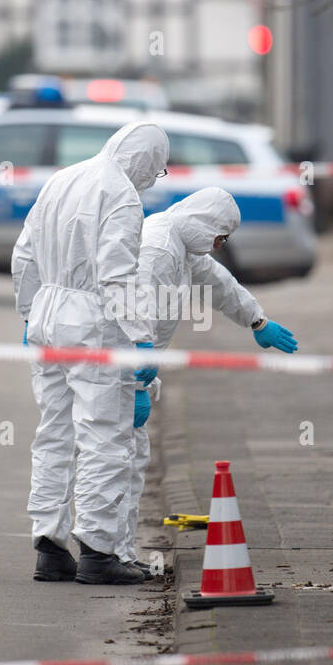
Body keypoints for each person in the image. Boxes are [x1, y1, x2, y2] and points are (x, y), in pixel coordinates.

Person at [11, 121, 169, 585]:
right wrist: (141, 337)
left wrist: (29, 312)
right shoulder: (120, 195)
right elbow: (118, 274)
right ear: (147, 161)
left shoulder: (61, 179)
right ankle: (99, 552)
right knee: (103, 434)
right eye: (156, 171)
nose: (151, 179)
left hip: (48, 317)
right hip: (93, 324)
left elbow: (24, 255)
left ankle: (50, 545)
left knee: (54, 432)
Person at [121, 187, 298, 571]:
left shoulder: (184, 247)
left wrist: (257, 319)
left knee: (129, 461)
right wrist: (134, 383)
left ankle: (112, 553)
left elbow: (220, 285)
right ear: (203, 223)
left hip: (135, 369)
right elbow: (135, 309)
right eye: (220, 237)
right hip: (124, 371)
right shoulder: (159, 249)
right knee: (118, 461)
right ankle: (104, 555)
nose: (219, 246)